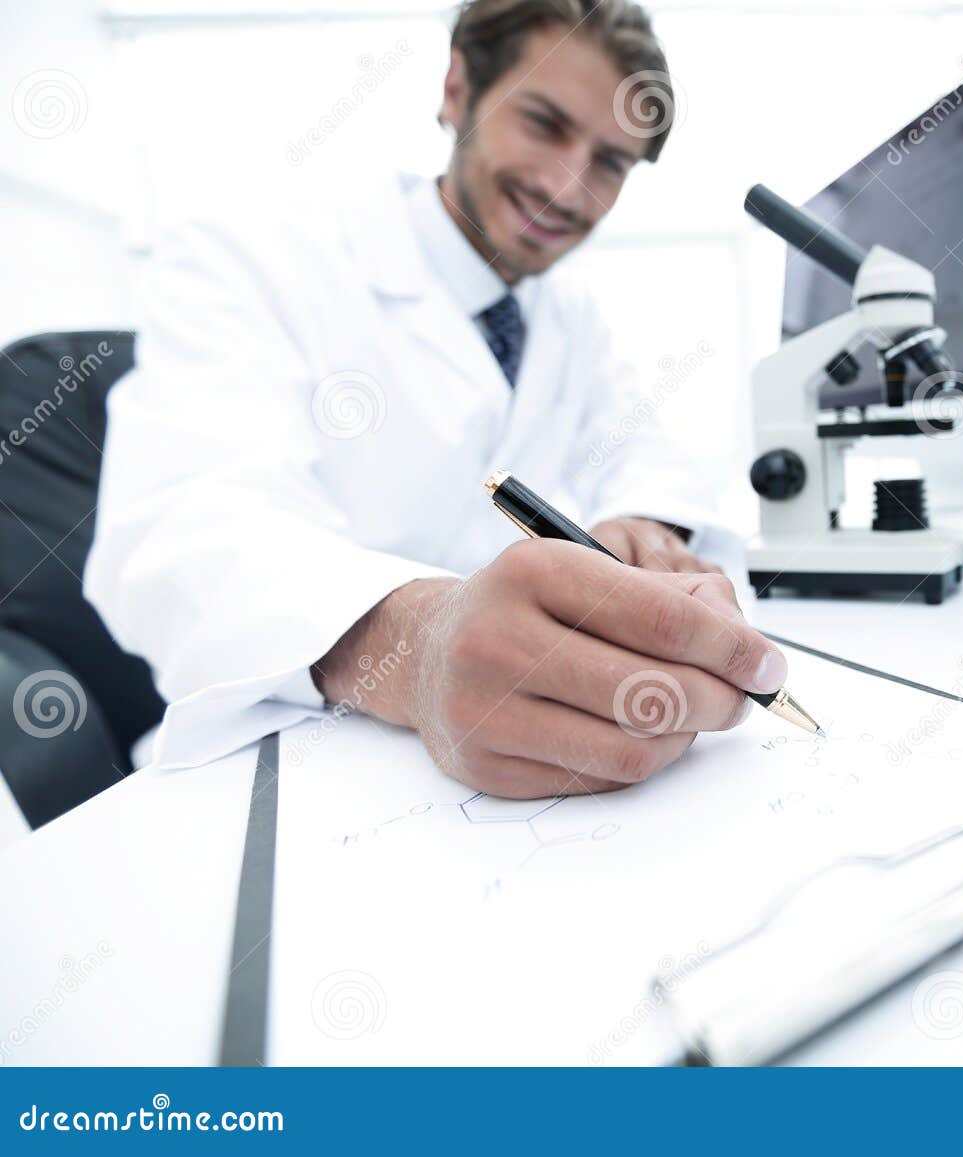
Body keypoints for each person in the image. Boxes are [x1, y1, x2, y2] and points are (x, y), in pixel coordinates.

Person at [84, 0, 784, 797]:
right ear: (457, 88)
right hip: (274, 770)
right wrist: (415, 649)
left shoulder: (569, 316)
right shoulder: (247, 258)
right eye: (545, 124)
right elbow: (181, 529)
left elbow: (649, 450)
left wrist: (644, 532)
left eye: (611, 162)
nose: (568, 188)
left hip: (497, 779)